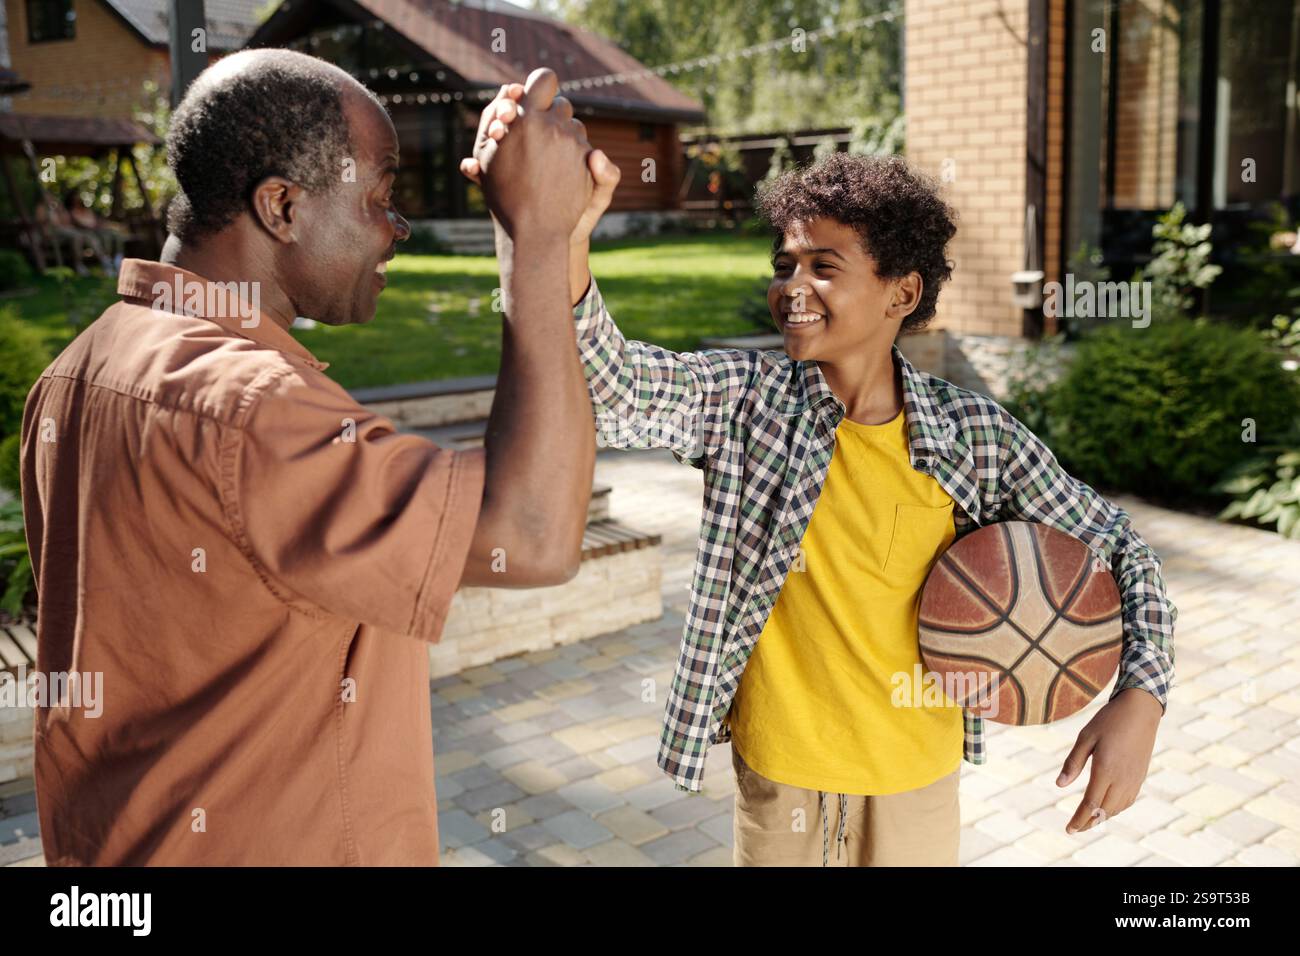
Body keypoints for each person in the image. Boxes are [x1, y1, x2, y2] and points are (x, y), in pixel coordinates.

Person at [467, 93, 1176, 867]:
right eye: (784, 265)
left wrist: (1140, 698)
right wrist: (564, 235)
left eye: (823, 267)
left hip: (913, 777)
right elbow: (615, 390)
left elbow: (1122, 549)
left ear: (901, 294)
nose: (792, 285)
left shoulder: (976, 438)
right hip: (780, 777)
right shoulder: (747, 402)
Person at [20, 51, 597, 865]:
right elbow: (533, 534)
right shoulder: (252, 410)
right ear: (282, 206)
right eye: (380, 197)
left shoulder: (77, 369)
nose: (396, 228)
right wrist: (535, 237)